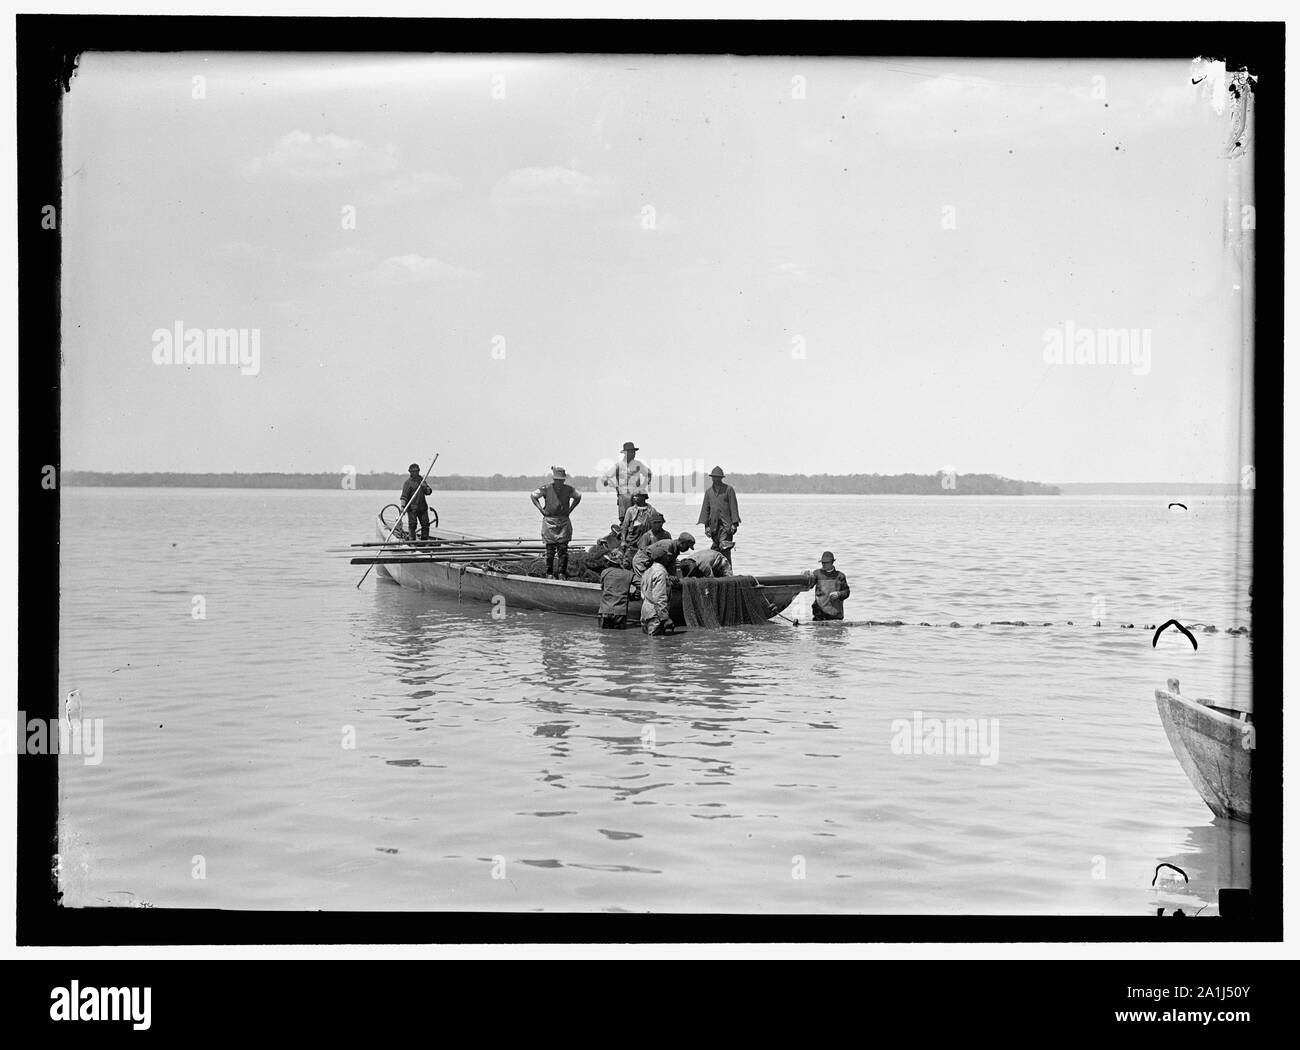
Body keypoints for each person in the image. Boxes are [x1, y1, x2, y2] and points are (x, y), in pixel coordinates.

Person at [529, 466, 582, 579]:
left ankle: (561, 573)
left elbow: (578, 496)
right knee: (550, 550)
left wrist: (570, 510)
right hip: (549, 521)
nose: (559, 482)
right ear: (554, 480)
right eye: (557, 480)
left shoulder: (569, 489)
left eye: (561, 480)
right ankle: (549, 573)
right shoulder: (546, 488)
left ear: (563, 480)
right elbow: (533, 496)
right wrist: (540, 509)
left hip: (563, 520)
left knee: (563, 549)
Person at [697, 465, 741, 565]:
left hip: (726, 526)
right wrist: (706, 527)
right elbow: (705, 510)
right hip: (713, 527)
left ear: (721, 478)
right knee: (715, 550)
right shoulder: (709, 492)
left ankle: (728, 574)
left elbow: (734, 507)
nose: (715, 479)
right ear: (712, 478)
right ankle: (717, 573)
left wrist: (734, 524)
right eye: (714, 477)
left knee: (725, 549)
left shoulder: (728, 490)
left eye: (717, 477)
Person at [603, 441, 653, 518]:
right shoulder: (619, 465)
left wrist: (643, 485)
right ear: (625, 453)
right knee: (625, 502)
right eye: (631, 452)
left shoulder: (638, 464)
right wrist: (613, 485)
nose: (633, 454)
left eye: (634, 452)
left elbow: (649, 473)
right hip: (623, 494)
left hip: (636, 493)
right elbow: (605, 477)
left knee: (641, 504)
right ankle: (623, 523)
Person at [811, 551, 851, 621]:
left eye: (826, 563)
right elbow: (808, 585)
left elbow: (847, 592)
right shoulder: (816, 574)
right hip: (819, 614)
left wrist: (839, 594)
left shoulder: (840, 576)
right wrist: (806, 575)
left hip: (835, 615)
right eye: (823, 562)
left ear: (832, 562)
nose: (824, 564)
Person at [639, 561, 675, 635]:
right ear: (662, 558)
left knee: (648, 641)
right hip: (655, 613)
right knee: (656, 642)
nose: (669, 559)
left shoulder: (647, 572)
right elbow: (659, 597)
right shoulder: (660, 572)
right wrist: (665, 618)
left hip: (645, 611)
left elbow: (643, 593)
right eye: (667, 557)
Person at [400, 462, 433, 541]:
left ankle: (424, 541)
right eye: (413, 471)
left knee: (425, 525)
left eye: (417, 471)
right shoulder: (407, 483)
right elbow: (404, 497)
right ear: (410, 472)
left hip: (422, 508)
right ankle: (412, 541)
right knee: (412, 525)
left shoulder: (422, 480)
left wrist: (425, 487)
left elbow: (428, 492)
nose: (415, 473)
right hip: (412, 509)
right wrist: (402, 507)